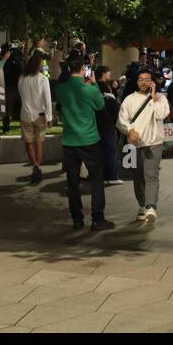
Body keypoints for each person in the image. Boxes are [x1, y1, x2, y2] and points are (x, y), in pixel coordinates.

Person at [54, 57, 115, 231]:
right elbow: (100, 104)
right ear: (83, 69)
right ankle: (97, 218)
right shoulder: (89, 90)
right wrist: (94, 84)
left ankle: (77, 218)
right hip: (89, 139)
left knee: (72, 181)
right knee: (96, 179)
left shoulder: (61, 89)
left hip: (69, 140)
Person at [118, 68, 171, 221]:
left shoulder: (161, 98)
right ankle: (143, 204)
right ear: (136, 81)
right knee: (137, 175)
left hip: (154, 142)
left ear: (153, 82)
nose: (144, 82)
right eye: (141, 79)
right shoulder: (129, 99)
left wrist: (154, 98)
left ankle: (151, 206)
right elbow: (121, 120)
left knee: (151, 175)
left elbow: (161, 114)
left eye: (147, 79)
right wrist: (129, 130)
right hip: (133, 144)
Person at [17, 50, 53, 186]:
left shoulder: (22, 78)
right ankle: (37, 166)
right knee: (39, 141)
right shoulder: (43, 79)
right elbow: (47, 99)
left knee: (28, 141)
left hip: (25, 113)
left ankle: (35, 165)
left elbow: (21, 94)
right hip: (40, 114)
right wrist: (49, 117)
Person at [95, 65, 123, 186]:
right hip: (107, 123)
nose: (110, 74)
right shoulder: (104, 87)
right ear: (104, 73)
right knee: (111, 150)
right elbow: (112, 105)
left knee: (101, 151)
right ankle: (111, 176)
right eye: (108, 72)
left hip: (97, 124)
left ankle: (102, 175)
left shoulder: (94, 86)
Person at [1, 43, 22, 135]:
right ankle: (7, 126)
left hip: (9, 86)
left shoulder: (6, 60)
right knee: (19, 108)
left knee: (8, 109)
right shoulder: (16, 59)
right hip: (16, 86)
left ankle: (6, 127)